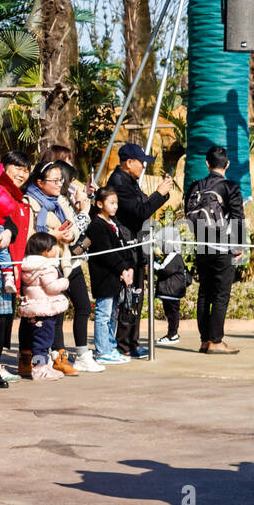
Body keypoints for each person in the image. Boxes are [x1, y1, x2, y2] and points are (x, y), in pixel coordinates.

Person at [26, 160, 94, 375]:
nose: (59, 184)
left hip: (64, 263)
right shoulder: (30, 202)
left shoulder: (60, 202)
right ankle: (35, 362)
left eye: (60, 180)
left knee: (60, 311)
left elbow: (73, 228)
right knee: (39, 318)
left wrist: (68, 234)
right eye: (54, 180)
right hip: (41, 268)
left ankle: (57, 357)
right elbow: (29, 238)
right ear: (40, 181)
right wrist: (52, 236)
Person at [107, 142, 172, 358]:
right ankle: (123, 344)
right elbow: (139, 211)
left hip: (136, 248)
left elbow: (143, 204)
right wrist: (159, 193)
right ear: (129, 162)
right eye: (141, 162)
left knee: (136, 297)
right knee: (128, 297)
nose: (144, 166)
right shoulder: (119, 182)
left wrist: (161, 194)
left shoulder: (129, 181)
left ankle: (132, 343)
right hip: (126, 249)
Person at [185, 145, 244, 354]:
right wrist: (238, 246)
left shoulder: (196, 186)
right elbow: (237, 217)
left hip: (202, 247)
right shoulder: (230, 187)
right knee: (220, 294)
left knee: (204, 293)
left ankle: (204, 340)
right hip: (222, 248)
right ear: (227, 164)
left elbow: (188, 214)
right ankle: (216, 341)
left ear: (207, 164)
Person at [0, 152, 31, 378]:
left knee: (0, 318)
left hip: (2, 265)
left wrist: (7, 231)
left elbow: (11, 224)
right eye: (17, 167)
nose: (22, 173)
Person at [86, 186, 134, 365]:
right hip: (104, 276)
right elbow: (107, 252)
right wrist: (122, 269)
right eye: (111, 203)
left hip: (116, 277)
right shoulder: (97, 225)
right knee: (103, 314)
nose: (115, 206)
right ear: (99, 204)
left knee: (113, 314)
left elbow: (123, 248)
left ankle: (110, 345)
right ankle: (102, 350)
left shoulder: (113, 223)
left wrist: (129, 267)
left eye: (116, 203)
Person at [17, 231, 68, 381]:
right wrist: (64, 282)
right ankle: (40, 369)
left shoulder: (27, 266)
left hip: (32, 308)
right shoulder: (47, 267)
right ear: (46, 251)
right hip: (45, 309)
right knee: (43, 340)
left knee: (30, 338)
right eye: (54, 247)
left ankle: (30, 365)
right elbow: (51, 287)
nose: (56, 249)